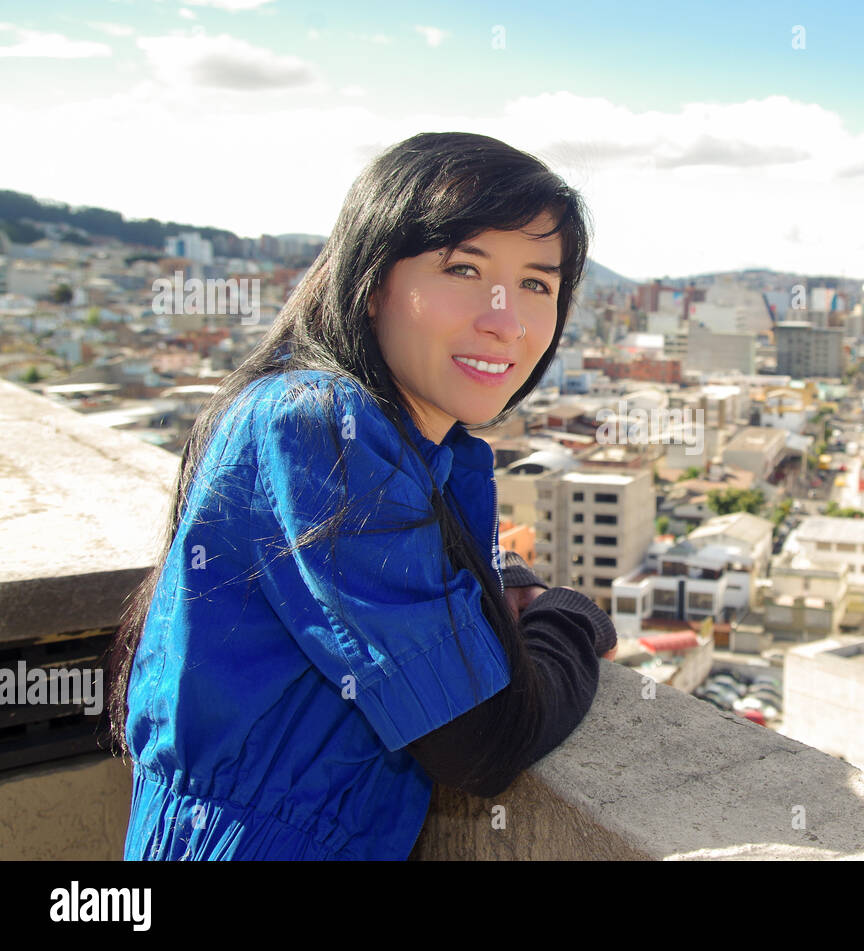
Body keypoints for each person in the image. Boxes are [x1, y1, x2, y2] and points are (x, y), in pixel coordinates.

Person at [105, 132, 616, 860]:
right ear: (373, 278)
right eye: (464, 267)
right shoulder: (320, 426)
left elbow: (404, 562)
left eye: (537, 282)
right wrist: (568, 622)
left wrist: (505, 576)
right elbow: (486, 738)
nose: (506, 318)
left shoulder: (378, 430)